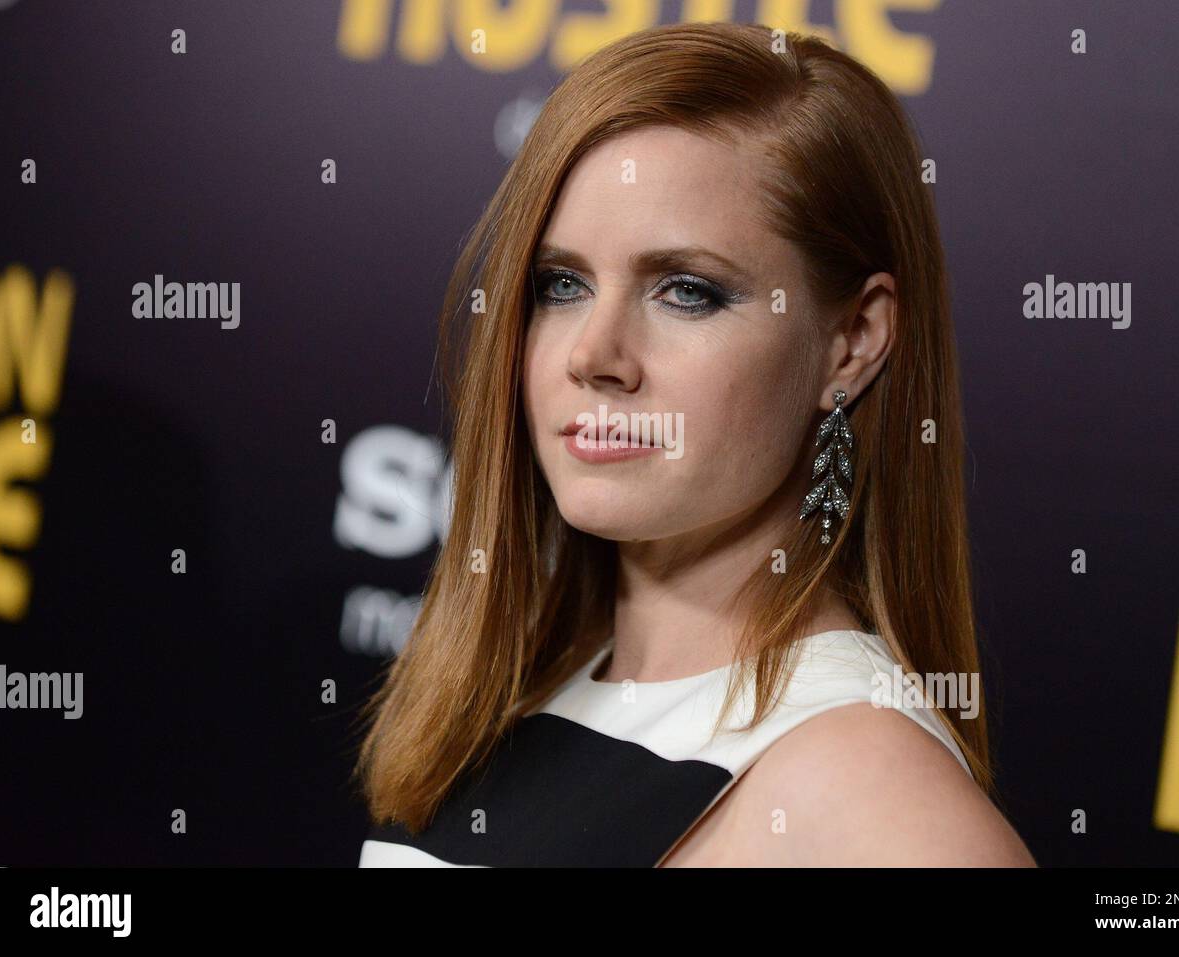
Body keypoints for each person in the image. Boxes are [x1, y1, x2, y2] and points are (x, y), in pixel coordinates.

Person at [352, 20, 1036, 867]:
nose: (592, 355)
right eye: (561, 284)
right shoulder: (517, 692)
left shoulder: (871, 799)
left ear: (853, 341)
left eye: (688, 291)